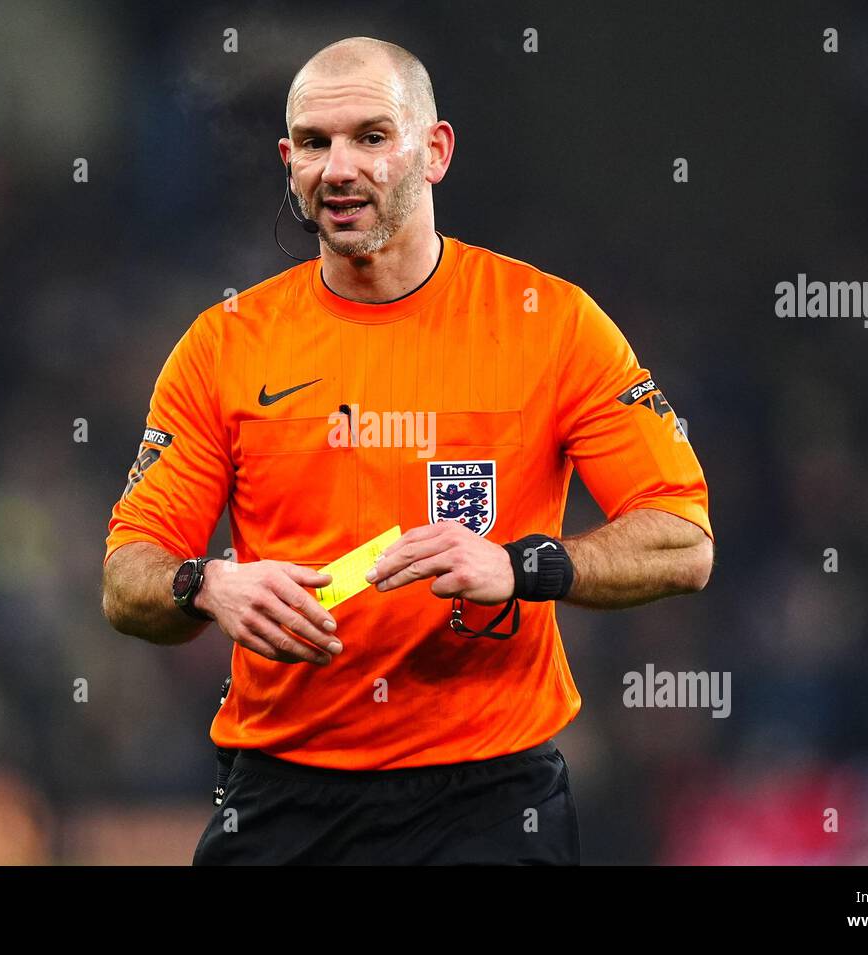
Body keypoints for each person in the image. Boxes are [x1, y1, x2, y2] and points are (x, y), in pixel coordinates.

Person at [101, 36, 714, 865]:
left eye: (371, 136)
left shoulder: (551, 323)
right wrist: (205, 582)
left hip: (489, 800)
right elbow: (124, 578)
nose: (340, 167)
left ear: (436, 150)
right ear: (289, 162)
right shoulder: (224, 345)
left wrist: (525, 566)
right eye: (315, 143)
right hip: (283, 795)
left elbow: (684, 538)